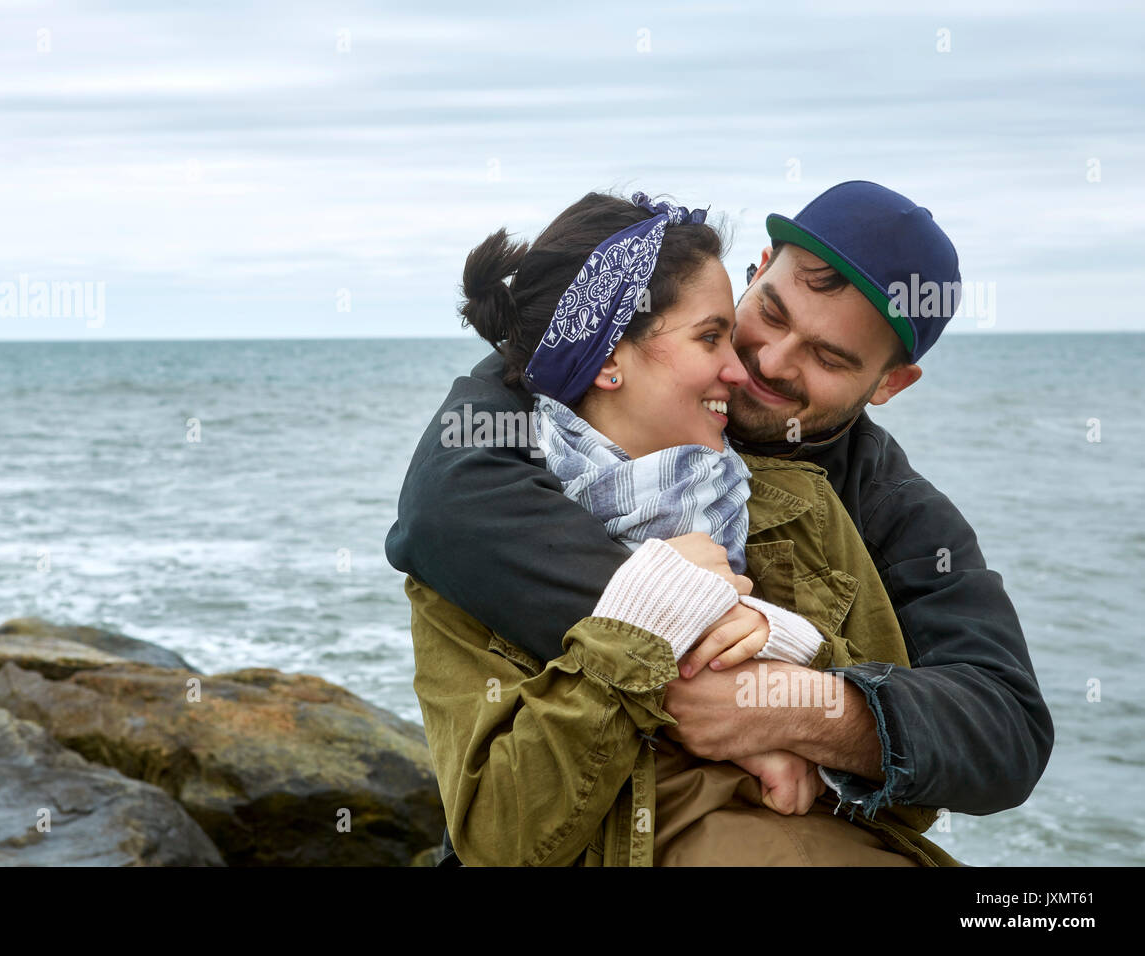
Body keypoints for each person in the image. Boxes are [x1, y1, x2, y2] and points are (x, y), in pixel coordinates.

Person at [386, 180, 1054, 865]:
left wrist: (799, 709)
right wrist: (686, 633)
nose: (766, 363)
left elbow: (1007, 730)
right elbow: (444, 504)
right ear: (757, 270)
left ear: (891, 383)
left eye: (828, 358)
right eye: (769, 314)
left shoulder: (884, 505)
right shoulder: (556, 386)